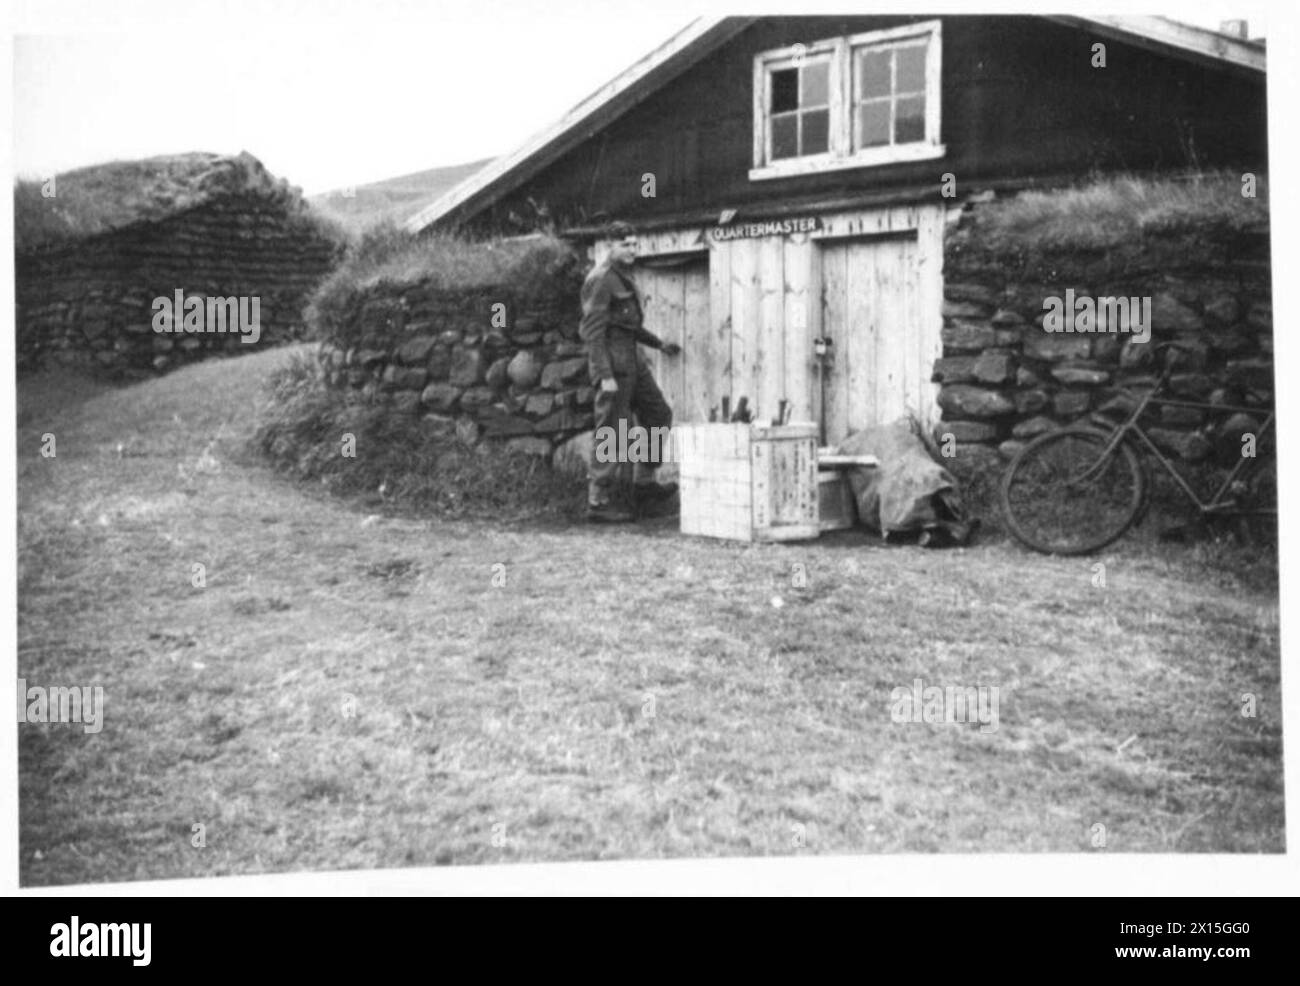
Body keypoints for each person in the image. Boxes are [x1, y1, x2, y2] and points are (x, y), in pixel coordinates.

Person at [579, 220, 681, 523]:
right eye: (626, 244)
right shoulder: (601, 279)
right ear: (609, 245)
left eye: (635, 244)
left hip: (633, 360)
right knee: (613, 429)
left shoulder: (625, 277)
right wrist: (604, 375)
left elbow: (630, 326)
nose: (633, 250)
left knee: (658, 413)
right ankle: (598, 500)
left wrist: (659, 344)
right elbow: (592, 332)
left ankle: (645, 485)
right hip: (614, 363)